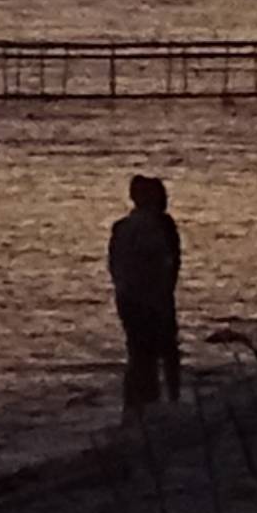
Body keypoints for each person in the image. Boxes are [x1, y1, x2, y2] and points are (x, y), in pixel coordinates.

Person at [106, 173, 185, 410]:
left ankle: (144, 406)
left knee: (144, 353)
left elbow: (114, 265)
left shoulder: (128, 227)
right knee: (157, 353)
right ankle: (162, 403)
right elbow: (173, 262)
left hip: (135, 297)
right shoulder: (157, 225)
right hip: (146, 297)